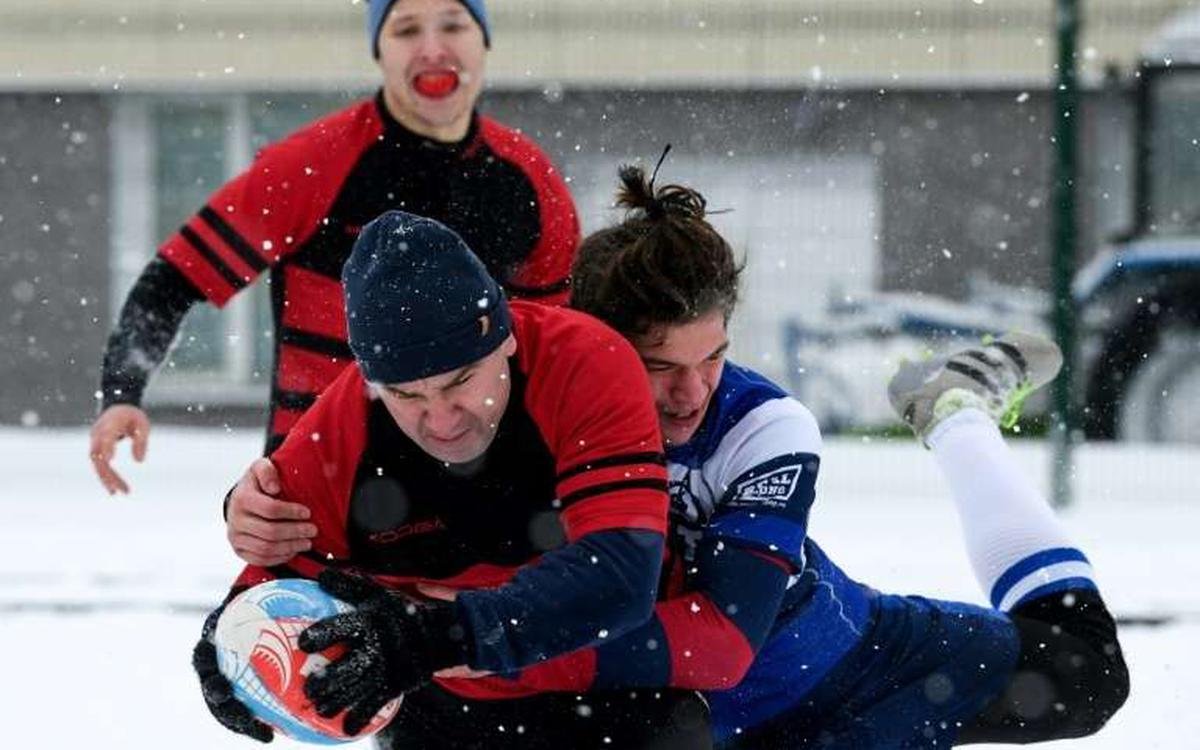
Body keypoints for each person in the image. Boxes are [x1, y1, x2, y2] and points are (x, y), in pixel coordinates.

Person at [228, 166, 1129, 747]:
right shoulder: (529, 399)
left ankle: (956, 413)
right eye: (656, 368)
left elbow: (721, 641)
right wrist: (258, 522)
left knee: (1089, 680)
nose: (689, 395)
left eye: (714, 357)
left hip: (841, 666)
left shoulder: (764, 427)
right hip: (696, 720)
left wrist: (453, 645)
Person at [192, 210, 710, 749]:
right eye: (407, 395)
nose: (442, 420)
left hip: (618, 690)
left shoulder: (586, 363)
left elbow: (620, 577)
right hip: (447, 714)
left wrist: (438, 637)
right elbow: (266, 590)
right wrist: (224, 651)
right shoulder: (337, 433)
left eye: (462, 380)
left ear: (506, 339)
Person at [90, 0, 579, 494]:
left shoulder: (530, 180)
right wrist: (121, 393)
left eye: (453, 25)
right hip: (320, 485)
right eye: (406, 30)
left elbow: (562, 343)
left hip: (485, 491)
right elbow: (173, 280)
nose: (433, 48)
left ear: (483, 42)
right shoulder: (313, 164)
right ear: (378, 51)